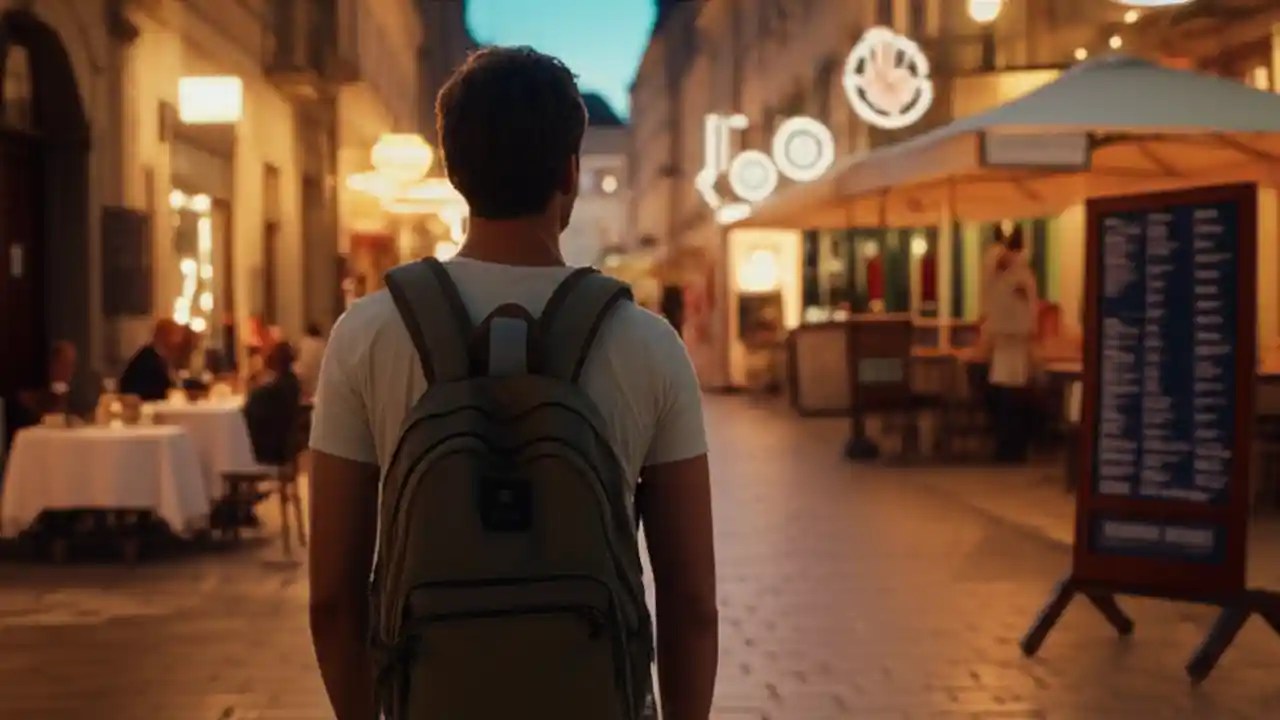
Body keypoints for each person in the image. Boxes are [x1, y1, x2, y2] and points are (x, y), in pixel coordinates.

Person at [308, 47, 717, 720]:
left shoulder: (368, 334)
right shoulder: (647, 344)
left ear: (453, 171)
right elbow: (691, 601)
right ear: (570, 173)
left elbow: (332, 599)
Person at [985, 228, 1039, 462]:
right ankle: (1008, 447)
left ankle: (1012, 448)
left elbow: (1024, 310)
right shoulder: (1006, 277)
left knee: (1011, 398)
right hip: (1004, 343)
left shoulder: (1019, 277)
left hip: (1014, 343)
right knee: (1004, 397)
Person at [119, 319, 183, 401]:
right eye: (175, 335)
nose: (178, 340)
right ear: (164, 335)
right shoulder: (146, 361)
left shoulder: (157, 357)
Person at [295, 323, 327, 399]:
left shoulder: (303, 343)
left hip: (304, 376)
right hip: (317, 379)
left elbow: (298, 358)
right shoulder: (322, 344)